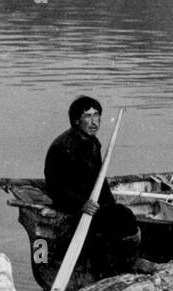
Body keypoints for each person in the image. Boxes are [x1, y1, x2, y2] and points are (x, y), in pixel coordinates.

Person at [43, 96, 143, 280]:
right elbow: (56, 187)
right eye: (87, 116)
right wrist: (81, 204)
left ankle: (127, 263)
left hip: (91, 199)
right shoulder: (64, 147)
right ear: (76, 121)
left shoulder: (92, 142)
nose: (93, 121)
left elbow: (99, 180)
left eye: (96, 115)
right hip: (70, 203)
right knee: (104, 227)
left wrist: (110, 204)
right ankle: (106, 271)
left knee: (124, 216)